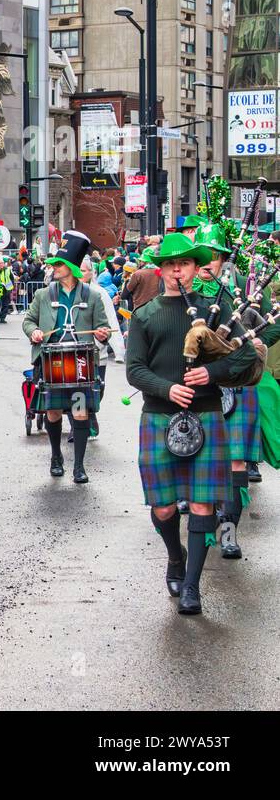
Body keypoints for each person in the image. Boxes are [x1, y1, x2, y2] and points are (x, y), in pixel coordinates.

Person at [125, 233, 258, 615]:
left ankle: (192, 588)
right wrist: (168, 389)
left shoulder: (216, 308)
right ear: (161, 269)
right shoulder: (146, 314)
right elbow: (134, 369)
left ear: (197, 268)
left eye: (184, 264)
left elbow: (245, 359)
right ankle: (175, 558)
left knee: (202, 504)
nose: (177, 270)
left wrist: (211, 372)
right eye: (170, 264)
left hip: (206, 412)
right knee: (164, 507)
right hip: (159, 414)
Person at [192, 222, 280, 560]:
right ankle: (206, 511)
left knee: (238, 462)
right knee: (201, 458)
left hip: (240, 385)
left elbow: (274, 321)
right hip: (199, 384)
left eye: (214, 256)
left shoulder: (245, 286)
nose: (207, 263)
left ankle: (229, 531)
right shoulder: (183, 290)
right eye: (202, 256)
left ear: (224, 257)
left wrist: (258, 344)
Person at [23, 230, 111, 484]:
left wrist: (103, 334)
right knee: (52, 412)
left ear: (71, 268)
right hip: (50, 361)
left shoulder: (92, 296)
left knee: (80, 412)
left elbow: (101, 329)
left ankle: (79, 466)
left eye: (58, 264)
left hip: (81, 363)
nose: (53, 268)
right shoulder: (43, 294)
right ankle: (55, 456)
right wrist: (35, 332)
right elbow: (28, 321)